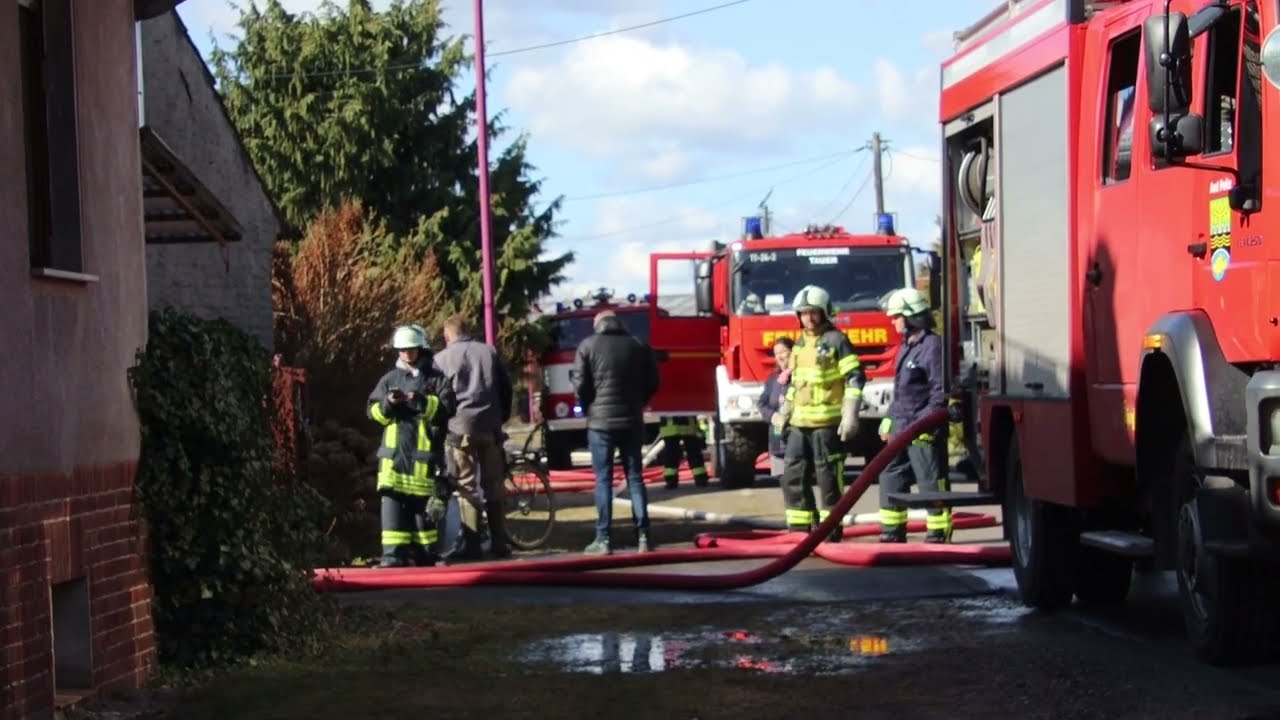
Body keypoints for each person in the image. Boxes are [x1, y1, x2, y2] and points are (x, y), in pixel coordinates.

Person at [771, 286, 865, 542]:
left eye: (813, 313)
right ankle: (800, 532)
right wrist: (785, 411)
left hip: (826, 424)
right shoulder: (800, 344)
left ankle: (829, 532)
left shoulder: (837, 340)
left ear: (824, 313)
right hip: (799, 425)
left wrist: (850, 415)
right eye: (803, 314)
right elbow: (795, 383)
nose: (808, 318)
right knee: (792, 475)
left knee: (828, 481)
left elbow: (855, 378)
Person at [366, 324, 455, 567]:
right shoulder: (389, 380)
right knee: (392, 521)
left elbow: (447, 410)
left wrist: (423, 402)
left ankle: (424, 556)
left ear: (421, 348)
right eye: (402, 350)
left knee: (423, 524)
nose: (407, 354)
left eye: (411, 350)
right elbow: (373, 413)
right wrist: (388, 404)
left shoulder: (436, 380)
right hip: (393, 464)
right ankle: (393, 558)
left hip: (422, 465)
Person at [574, 309, 661, 555]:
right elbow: (654, 381)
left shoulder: (587, 345)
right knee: (635, 477)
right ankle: (644, 536)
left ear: (598, 324)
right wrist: (638, 401)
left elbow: (580, 385)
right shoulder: (638, 345)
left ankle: (603, 539)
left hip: (600, 424)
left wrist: (590, 404)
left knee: (603, 480)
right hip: (632, 420)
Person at [432, 313, 515, 561]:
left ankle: (473, 544)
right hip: (490, 427)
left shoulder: (441, 359)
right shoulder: (488, 352)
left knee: (467, 486)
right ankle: (500, 542)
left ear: (447, 335)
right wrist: (501, 418)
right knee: (494, 485)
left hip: (459, 429)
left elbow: (438, 397)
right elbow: (505, 387)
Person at [876, 287, 953, 543]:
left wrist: (926, 425)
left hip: (922, 428)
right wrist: (889, 418)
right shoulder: (906, 346)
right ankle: (892, 532)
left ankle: (938, 533)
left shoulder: (932, 346)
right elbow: (900, 392)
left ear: (911, 316)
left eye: (896, 316)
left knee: (929, 480)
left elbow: (939, 392)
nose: (892, 320)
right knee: (890, 475)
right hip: (901, 425)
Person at [757, 337, 796, 479]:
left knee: (796, 481)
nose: (779, 356)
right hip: (777, 442)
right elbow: (762, 403)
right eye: (776, 353)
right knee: (782, 481)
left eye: (783, 352)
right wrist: (772, 416)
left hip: (796, 439)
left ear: (792, 352)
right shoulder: (774, 380)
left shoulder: (800, 376)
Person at [657, 415, 709, 489]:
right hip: (688, 424)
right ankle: (701, 479)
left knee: (671, 455)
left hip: (670, 427)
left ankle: (671, 481)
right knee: (693, 452)